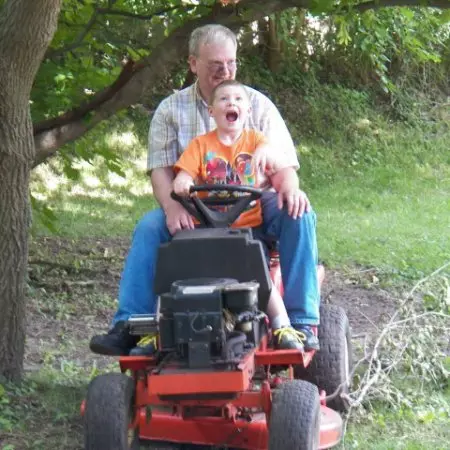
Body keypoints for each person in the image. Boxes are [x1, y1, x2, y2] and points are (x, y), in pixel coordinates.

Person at [89, 24, 320, 356]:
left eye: (231, 64)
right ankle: (132, 324)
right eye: (216, 66)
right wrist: (173, 208)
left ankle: (301, 323)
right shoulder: (171, 110)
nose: (225, 72)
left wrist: (292, 189)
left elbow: (283, 166)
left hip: (253, 206)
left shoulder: (255, 105)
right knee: (149, 227)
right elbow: (162, 171)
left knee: (299, 214)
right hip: (195, 208)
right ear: (193, 63)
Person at [173, 79, 306, 351]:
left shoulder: (257, 141)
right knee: (182, 270)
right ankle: (165, 325)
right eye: (223, 100)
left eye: (237, 99)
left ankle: (282, 324)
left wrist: (267, 154)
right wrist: (184, 184)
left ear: (247, 110)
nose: (231, 103)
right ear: (212, 112)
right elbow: (182, 177)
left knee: (256, 271)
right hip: (207, 228)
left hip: (248, 227)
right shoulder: (200, 146)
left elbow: (280, 164)